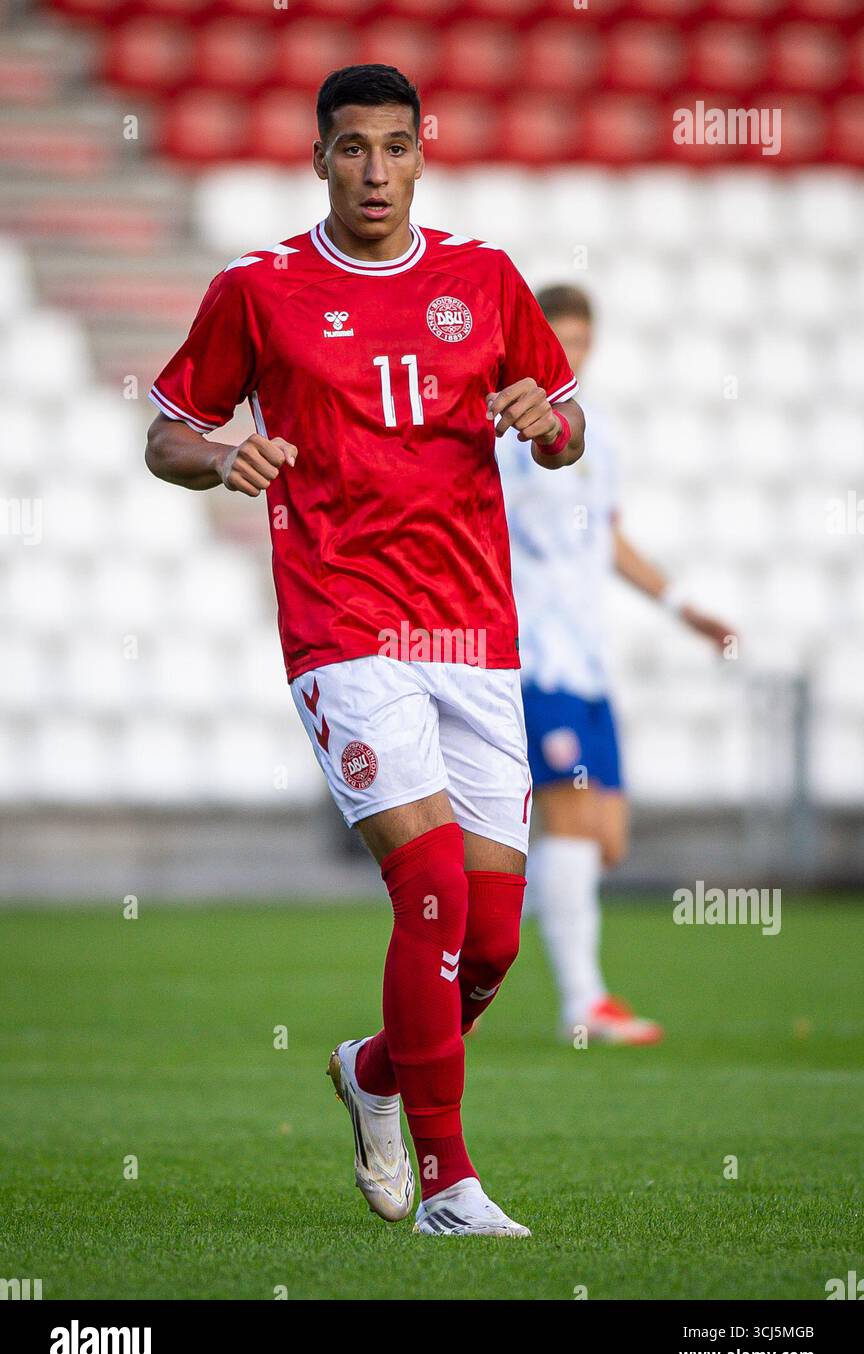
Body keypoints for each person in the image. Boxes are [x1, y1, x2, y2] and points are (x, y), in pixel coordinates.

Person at [144, 66, 585, 1237]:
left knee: (490, 940)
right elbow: (168, 435)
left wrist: (551, 424)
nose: (375, 171)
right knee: (431, 891)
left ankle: (374, 1073)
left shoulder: (484, 280)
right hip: (345, 624)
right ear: (319, 157)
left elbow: (566, 426)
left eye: (395, 148)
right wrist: (220, 455)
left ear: (422, 156)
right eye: (353, 149)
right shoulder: (261, 288)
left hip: (475, 631)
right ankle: (450, 1183)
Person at [497, 285, 732, 1045]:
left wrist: (680, 603)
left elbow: (610, 543)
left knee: (608, 837)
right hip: (533, 654)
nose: (571, 353)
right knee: (567, 814)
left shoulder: (600, 438)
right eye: (557, 338)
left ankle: (491, 932)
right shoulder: (502, 429)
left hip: (590, 660)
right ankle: (583, 1003)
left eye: (581, 341)